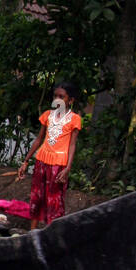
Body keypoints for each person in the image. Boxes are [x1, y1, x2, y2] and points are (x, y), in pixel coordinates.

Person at [17, 82, 82, 228]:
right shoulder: (47, 115)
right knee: (37, 197)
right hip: (41, 160)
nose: (57, 99)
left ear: (70, 100)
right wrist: (26, 161)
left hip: (59, 164)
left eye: (62, 96)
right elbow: (39, 139)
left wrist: (67, 168)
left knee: (54, 200)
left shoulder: (74, 119)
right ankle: (32, 232)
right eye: (55, 96)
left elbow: (72, 145)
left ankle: (51, 234)